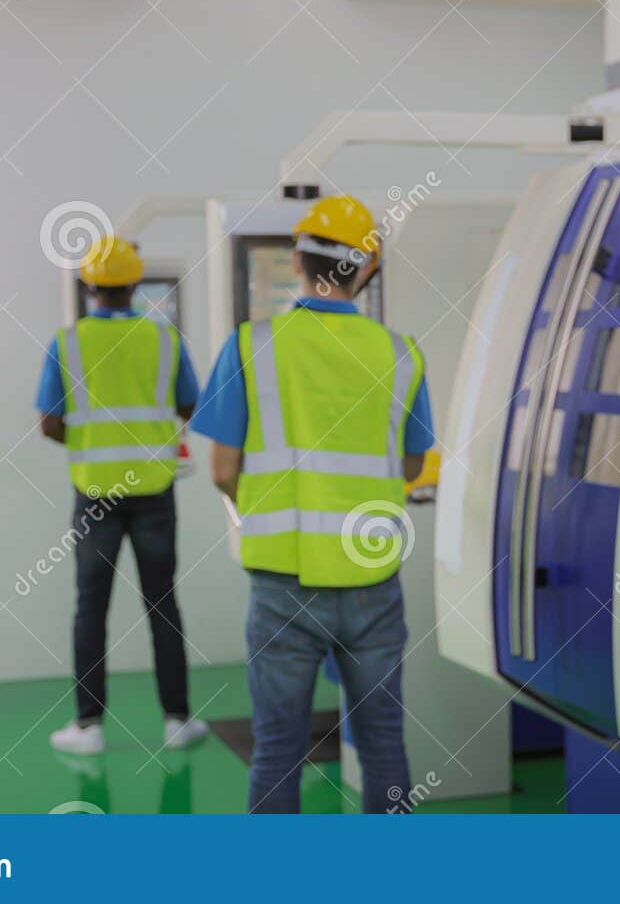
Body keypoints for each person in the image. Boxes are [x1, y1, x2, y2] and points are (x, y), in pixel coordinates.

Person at [190, 194, 433, 813]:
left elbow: (223, 470)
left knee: (277, 748)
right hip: (374, 577)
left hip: (282, 582)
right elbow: (410, 466)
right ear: (367, 270)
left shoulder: (250, 346)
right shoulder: (402, 356)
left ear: (297, 259)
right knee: (383, 745)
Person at [37, 235, 208, 755]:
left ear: (88, 287)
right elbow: (188, 407)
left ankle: (88, 727)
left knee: (90, 607)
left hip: (94, 495)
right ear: (135, 285)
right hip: (154, 490)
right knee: (163, 604)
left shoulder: (66, 343)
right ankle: (177, 721)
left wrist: (89, 443)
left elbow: (49, 423)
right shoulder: (165, 340)